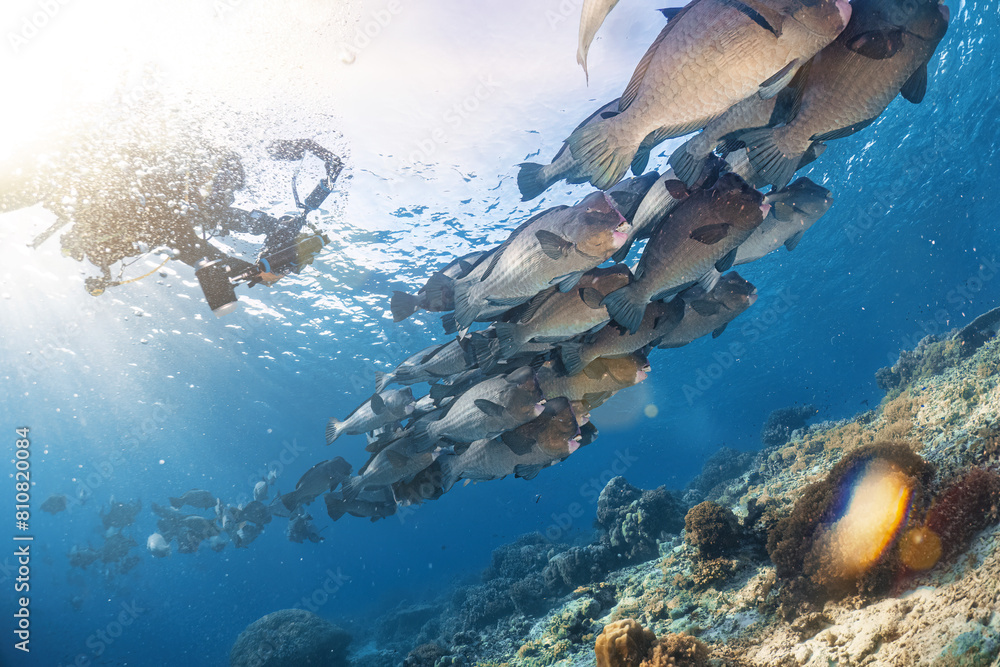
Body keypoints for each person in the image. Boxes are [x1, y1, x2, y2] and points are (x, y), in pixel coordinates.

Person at [2, 135, 342, 296]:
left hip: (108, 199)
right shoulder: (157, 203)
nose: (232, 195)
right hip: (90, 185)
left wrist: (265, 258)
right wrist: (245, 269)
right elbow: (193, 249)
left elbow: (205, 243)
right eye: (227, 185)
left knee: (211, 215)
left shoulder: (175, 207)